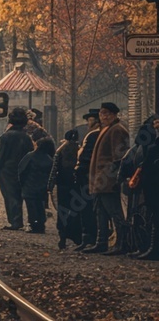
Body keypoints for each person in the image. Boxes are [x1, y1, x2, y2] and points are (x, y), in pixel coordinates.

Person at [85, 101, 131, 255]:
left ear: (113, 115)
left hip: (107, 181)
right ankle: (101, 242)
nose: (103, 116)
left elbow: (118, 157)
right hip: (99, 180)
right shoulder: (107, 129)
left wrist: (112, 178)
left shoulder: (117, 130)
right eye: (101, 113)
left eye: (106, 113)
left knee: (114, 212)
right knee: (100, 212)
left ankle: (122, 243)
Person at [0, 107, 34, 230]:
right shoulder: (26, 137)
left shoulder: (6, 137)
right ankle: (19, 220)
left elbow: (1, 157)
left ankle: (15, 221)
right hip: (23, 169)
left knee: (10, 195)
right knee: (18, 195)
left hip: (7, 170)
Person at [48, 129, 83, 250]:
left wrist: (50, 185)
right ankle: (76, 235)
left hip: (62, 183)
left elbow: (54, 169)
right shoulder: (79, 149)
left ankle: (62, 236)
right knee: (76, 208)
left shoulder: (60, 150)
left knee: (62, 209)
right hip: (76, 184)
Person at [73, 109, 101, 251]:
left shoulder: (94, 135)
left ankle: (89, 237)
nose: (88, 122)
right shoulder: (95, 134)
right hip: (90, 176)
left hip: (87, 176)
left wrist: (79, 169)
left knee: (87, 207)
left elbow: (86, 157)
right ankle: (89, 237)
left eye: (89, 119)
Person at [133, 115, 159, 260]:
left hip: (153, 184)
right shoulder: (153, 144)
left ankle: (153, 249)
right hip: (151, 185)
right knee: (153, 218)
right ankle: (151, 247)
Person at [19, 137, 55, 234]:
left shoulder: (30, 156)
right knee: (40, 205)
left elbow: (21, 170)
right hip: (42, 187)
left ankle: (34, 225)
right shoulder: (49, 159)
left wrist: (22, 182)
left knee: (31, 207)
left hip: (29, 185)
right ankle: (41, 224)